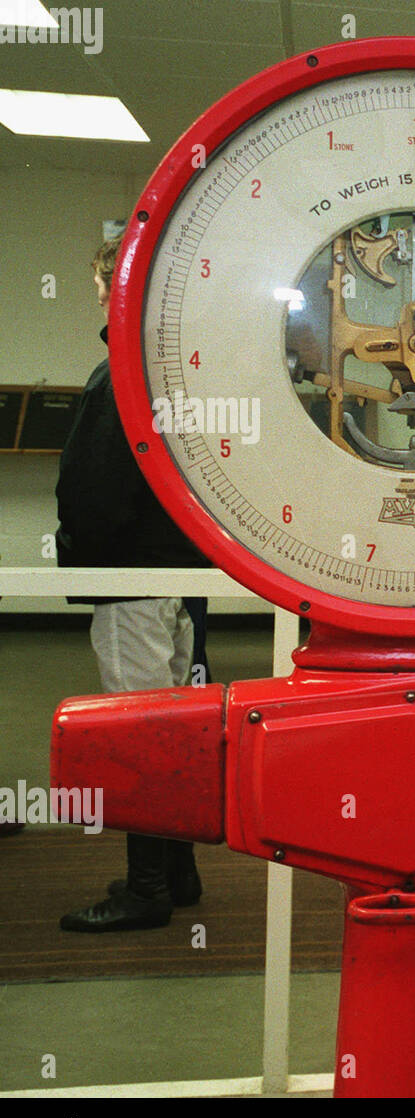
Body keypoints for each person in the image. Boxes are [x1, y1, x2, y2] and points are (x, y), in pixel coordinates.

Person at [55, 234, 206, 932]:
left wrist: (82, 562)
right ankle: (177, 873)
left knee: (141, 736)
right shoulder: (168, 373)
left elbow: (95, 496)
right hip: (176, 580)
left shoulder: (113, 376)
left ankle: (146, 890)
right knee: (175, 731)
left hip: (130, 586)